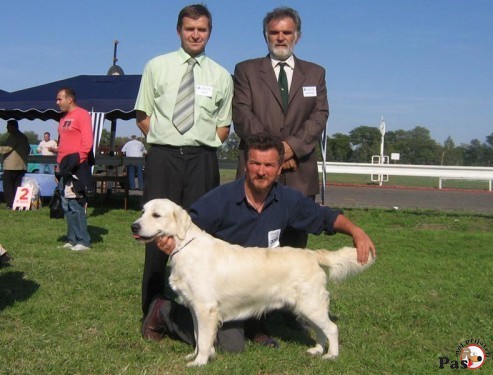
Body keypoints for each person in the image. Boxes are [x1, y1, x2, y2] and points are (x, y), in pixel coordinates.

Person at [141, 134, 376, 353]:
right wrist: (170, 242)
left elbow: (325, 217)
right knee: (231, 345)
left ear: (279, 168)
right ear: (246, 165)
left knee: (238, 330)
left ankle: (256, 326)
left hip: (261, 283)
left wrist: (356, 231)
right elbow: (185, 225)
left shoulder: (288, 199)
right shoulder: (221, 199)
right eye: (255, 164)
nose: (261, 171)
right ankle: (163, 311)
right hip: (227, 287)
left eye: (269, 165)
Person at [134, 4, 233, 317]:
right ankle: (152, 309)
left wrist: (201, 146)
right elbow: (143, 114)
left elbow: (223, 125)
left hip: (202, 159)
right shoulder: (156, 66)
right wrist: (168, 141)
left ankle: (196, 308)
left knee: (200, 234)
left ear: (210, 33)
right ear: (179, 31)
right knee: (155, 232)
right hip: (164, 157)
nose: (195, 34)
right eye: (190, 28)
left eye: (201, 29)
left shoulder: (220, 75)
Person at [232, 7, 329, 248]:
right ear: (265, 35)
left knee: (295, 250)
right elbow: (243, 115)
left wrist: (291, 148)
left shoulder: (315, 73)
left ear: (298, 35)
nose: (280, 37)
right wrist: (275, 153)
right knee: (253, 246)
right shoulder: (246, 71)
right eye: (274, 32)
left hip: (300, 172)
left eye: (287, 32)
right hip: (257, 169)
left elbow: (320, 116)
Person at [55, 88, 94, 251]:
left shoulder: (82, 114)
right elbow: (62, 143)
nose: (57, 103)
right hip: (63, 167)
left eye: (59, 99)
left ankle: (83, 241)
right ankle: (72, 239)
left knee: (76, 204)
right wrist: (58, 167)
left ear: (69, 99)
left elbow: (87, 143)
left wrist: (77, 164)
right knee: (66, 204)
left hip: (76, 167)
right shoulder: (63, 117)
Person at [0, 119, 30, 209]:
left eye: (8, 126)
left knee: (8, 186)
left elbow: (7, 149)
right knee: (17, 186)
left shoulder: (14, 136)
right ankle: (17, 204)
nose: (7, 128)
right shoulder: (23, 137)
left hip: (11, 166)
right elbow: (28, 149)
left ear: (13, 127)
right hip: (21, 166)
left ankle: (10, 204)